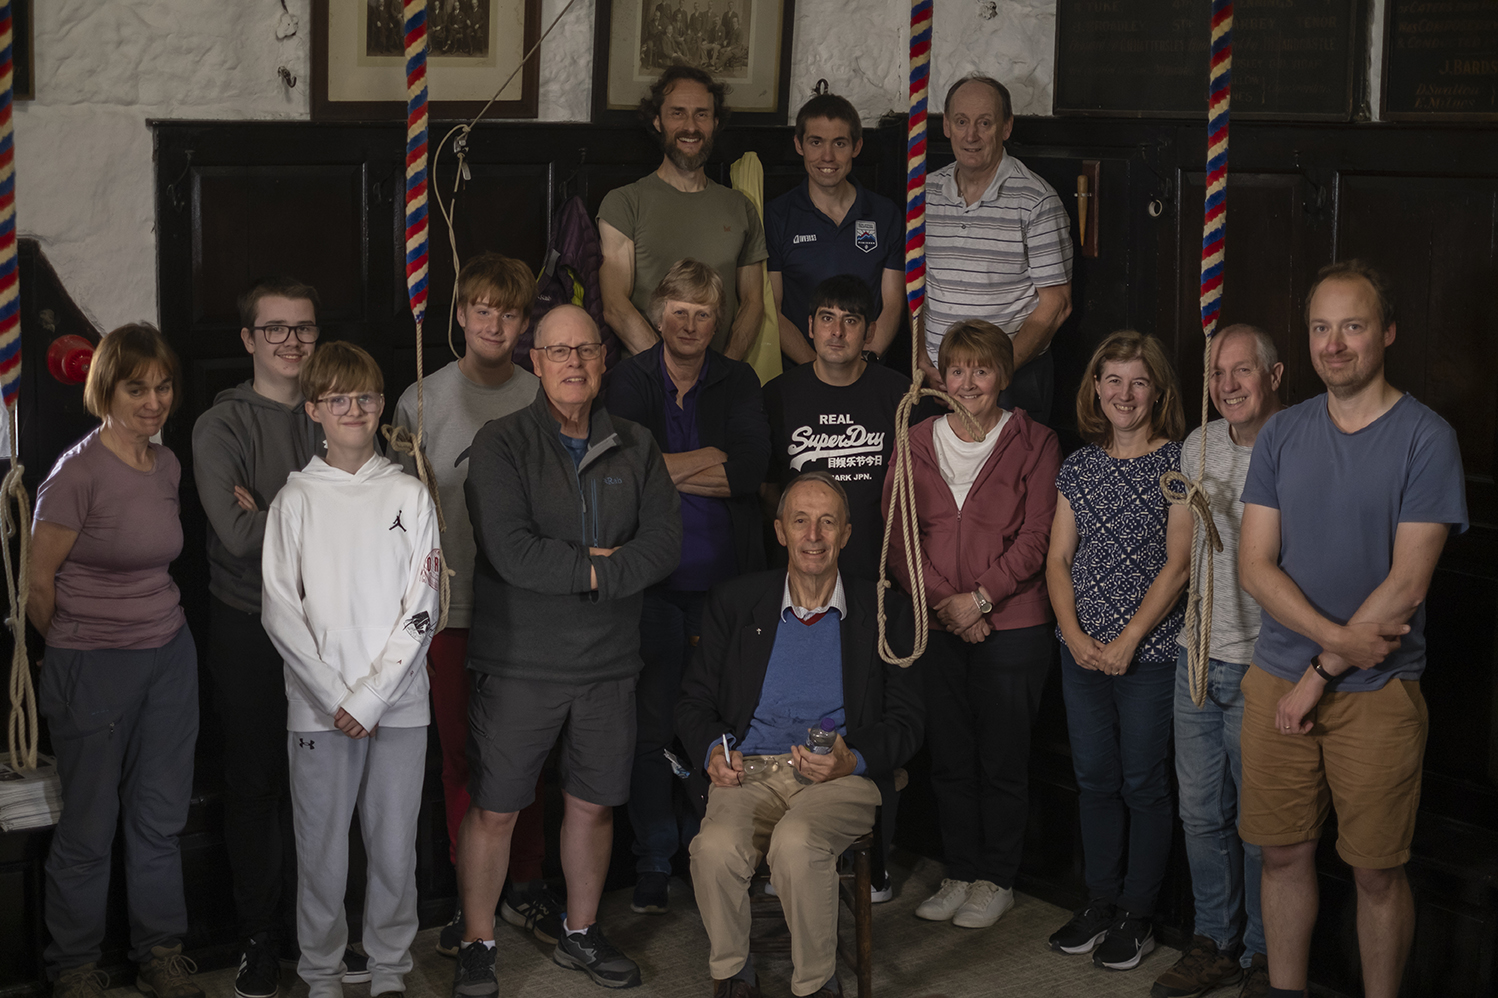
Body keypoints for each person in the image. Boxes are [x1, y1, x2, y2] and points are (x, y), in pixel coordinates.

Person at [1238, 261, 1466, 998]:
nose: (1335, 345)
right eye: (1321, 328)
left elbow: (1406, 586)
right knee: (1282, 856)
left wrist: (1320, 674)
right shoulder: (1281, 436)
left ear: (1388, 334)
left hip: (1377, 691)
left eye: (1354, 326)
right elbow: (1255, 566)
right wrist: (1325, 649)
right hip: (1273, 679)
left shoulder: (1427, 439)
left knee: (1375, 870)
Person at [451, 305, 681, 994]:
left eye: (586, 349)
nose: (574, 362)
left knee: (593, 804)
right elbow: (512, 552)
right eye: (559, 351)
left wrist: (586, 570)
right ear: (535, 361)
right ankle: (477, 941)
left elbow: (664, 546)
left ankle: (580, 932)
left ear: (604, 359)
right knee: (496, 808)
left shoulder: (637, 444)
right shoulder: (500, 443)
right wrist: (600, 568)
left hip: (610, 663)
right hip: (520, 662)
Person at [677, 471, 923, 998]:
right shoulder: (736, 602)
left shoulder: (882, 611)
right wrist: (712, 753)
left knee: (797, 842)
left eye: (828, 522)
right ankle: (733, 973)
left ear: (848, 534)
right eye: (801, 521)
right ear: (780, 531)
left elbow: (908, 723)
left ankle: (816, 984)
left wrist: (851, 759)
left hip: (841, 775)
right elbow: (694, 701)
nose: (814, 535)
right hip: (751, 772)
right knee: (714, 848)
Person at [389, 253, 562, 954]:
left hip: (530, 609)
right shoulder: (418, 400)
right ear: (460, 314)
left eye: (509, 311)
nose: (494, 322)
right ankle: (472, 898)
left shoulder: (544, 393)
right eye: (482, 309)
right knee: (463, 757)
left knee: (532, 756)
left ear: (525, 324)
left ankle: (526, 885)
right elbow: (396, 518)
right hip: (453, 608)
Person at [261, 342, 440, 998]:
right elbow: (282, 614)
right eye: (339, 399)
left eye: (365, 397)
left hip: (399, 707)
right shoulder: (296, 501)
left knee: (394, 850)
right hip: (317, 709)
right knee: (322, 853)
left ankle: (390, 969)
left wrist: (370, 699)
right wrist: (339, 696)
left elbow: (422, 609)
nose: (355, 410)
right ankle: (321, 973)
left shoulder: (409, 495)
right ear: (315, 409)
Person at [29, 324, 204, 998]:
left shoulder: (166, 465)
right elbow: (37, 587)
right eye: (138, 388)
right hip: (92, 665)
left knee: (159, 815)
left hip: (169, 656)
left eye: (162, 387)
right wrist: (78, 649)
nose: (154, 401)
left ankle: (159, 952)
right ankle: (74, 966)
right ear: (106, 389)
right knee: (89, 824)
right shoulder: (75, 474)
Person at [605, 259, 771, 915]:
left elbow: (750, 472)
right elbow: (624, 472)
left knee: (724, 727)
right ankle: (654, 860)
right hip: (650, 588)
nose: (691, 324)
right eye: (679, 310)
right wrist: (710, 459)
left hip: (727, 589)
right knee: (650, 732)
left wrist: (662, 467)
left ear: (718, 321)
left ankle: (718, 853)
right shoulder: (629, 378)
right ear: (657, 313)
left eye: (704, 313)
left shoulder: (739, 380)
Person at [883, 319, 1060, 929]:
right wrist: (947, 605)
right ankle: (959, 872)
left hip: (1013, 626)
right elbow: (900, 534)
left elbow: (1038, 536)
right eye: (956, 369)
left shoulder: (1036, 441)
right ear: (941, 375)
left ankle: (997, 878)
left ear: (1003, 376)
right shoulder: (914, 438)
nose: (968, 382)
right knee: (951, 757)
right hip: (937, 624)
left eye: (981, 370)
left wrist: (980, 600)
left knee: (1003, 758)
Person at [191, 276, 326, 998]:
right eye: (274, 329)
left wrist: (272, 506)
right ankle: (259, 940)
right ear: (249, 340)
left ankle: (322, 935)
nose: (290, 342)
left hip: (329, 632)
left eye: (302, 328)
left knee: (324, 785)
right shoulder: (221, 427)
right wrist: (318, 520)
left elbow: (369, 524)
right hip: (248, 628)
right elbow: (240, 538)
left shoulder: (334, 410)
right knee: (255, 787)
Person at [1045, 329, 1191, 971]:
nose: (1124, 393)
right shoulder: (1079, 466)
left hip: (1150, 654)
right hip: (1080, 654)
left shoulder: (1179, 464)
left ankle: (1138, 912)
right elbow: (1056, 559)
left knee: (1143, 784)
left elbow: (1180, 566)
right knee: (1094, 780)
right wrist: (1077, 637)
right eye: (1112, 380)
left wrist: (1129, 640)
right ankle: (1100, 899)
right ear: (1096, 388)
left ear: (1156, 391)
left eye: (1138, 381)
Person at [1150, 324, 1283, 998]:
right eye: (1217, 374)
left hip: (1265, 663)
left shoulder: (1295, 449)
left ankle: (1265, 955)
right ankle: (1215, 942)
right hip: (1196, 659)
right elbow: (1180, 560)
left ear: (1274, 376)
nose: (1227, 385)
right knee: (1201, 814)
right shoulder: (1197, 446)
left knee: (1262, 826)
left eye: (1242, 371)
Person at [924, 75, 1073, 424]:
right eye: (961, 122)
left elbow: (1056, 305)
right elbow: (919, 288)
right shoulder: (925, 194)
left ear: (1006, 127)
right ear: (946, 125)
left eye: (984, 123)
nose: (971, 135)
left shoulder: (1037, 200)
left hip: (1012, 383)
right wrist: (923, 359)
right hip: (937, 382)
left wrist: (994, 374)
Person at [599, 64, 768, 359]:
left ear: (715, 122)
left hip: (718, 386)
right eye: (677, 113)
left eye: (701, 114)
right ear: (657, 120)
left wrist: (721, 374)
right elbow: (615, 305)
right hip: (647, 384)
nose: (690, 126)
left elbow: (753, 303)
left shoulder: (740, 207)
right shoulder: (624, 203)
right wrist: (672, 375)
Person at [762, 275, 911, 584]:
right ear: (811, 326)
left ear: (869, 332)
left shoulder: (901, 395)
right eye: (827, 318)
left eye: (851, 321)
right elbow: (766, 488)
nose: (837, 332)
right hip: (801, 573)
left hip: (881, 574)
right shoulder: (776, 396)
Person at [765, 93, 904, 366]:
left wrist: (866, 362)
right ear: (799, 144)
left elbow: (893, 303)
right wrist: (817, 373)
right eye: (816, 142)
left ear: (857, 146)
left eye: (839, 143)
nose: (827, 156)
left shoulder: (886, 214)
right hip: (800, 371)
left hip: (867, 370)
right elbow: (772, 309)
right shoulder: (776, 215)